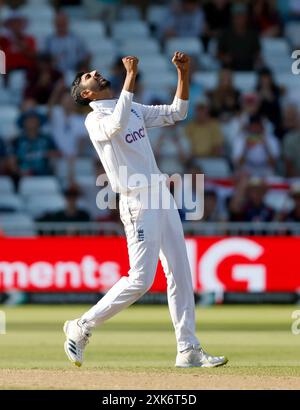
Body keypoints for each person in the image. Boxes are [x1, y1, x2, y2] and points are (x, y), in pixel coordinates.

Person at [64, 52, 228, 368]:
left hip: (160, 194)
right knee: (141, 279)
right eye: (88, 76)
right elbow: (116, 125)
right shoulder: (94, 119)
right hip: (136, 200)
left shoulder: (135, 108)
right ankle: (81, 326)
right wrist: (130, 77)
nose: (96, 72)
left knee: (180, 270)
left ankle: (188, 349)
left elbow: (177, 112)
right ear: (87, 95)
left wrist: (184, 73)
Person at [218, 3, 261, 71]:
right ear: (233, 18)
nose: (239, 19)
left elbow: (257, 52)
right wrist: (224, 57)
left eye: (242, 16)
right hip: (230, 68)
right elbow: (218, 53)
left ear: (246, 18)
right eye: (237, 16)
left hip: (248, 66)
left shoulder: (252, 34)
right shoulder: (225, 34)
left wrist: (257, 59)